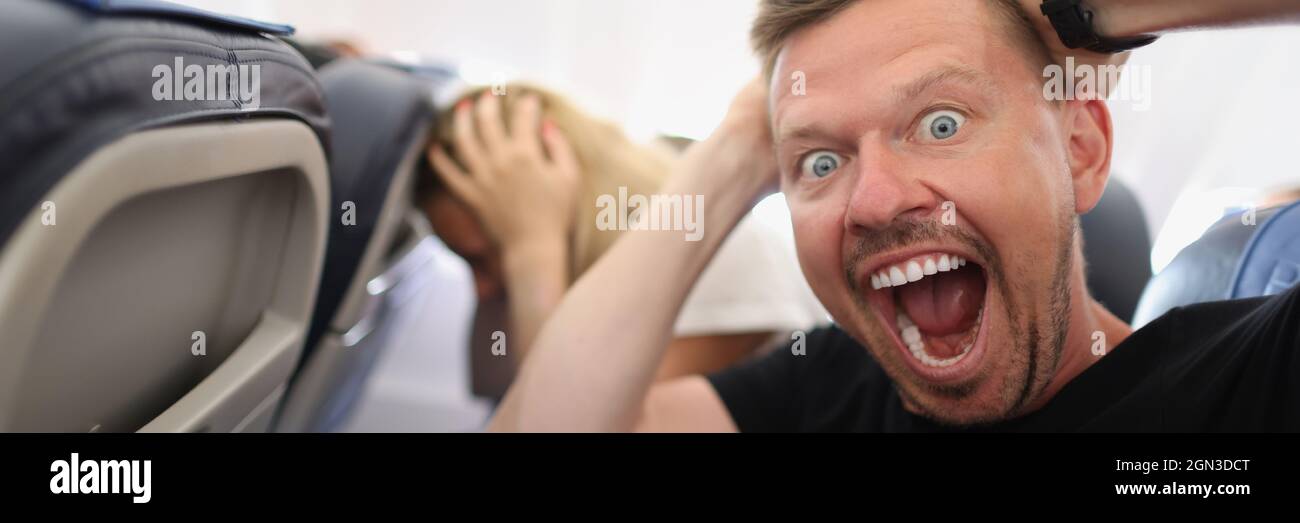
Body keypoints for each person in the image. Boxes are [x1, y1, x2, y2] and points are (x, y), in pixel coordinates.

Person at [487, 0, 1300, 432]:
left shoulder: (1243, 391)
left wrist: (1081, 9)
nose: (873, 200)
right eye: (821, 162)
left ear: (1082, 147)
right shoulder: (833, 386)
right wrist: (738, 146)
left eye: (941, 124)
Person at [416, 84, 827, 401]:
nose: (481, 290)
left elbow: (563, 419)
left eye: (485, 259)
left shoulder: (717, 248)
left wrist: (531, 248)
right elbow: (493, 387)